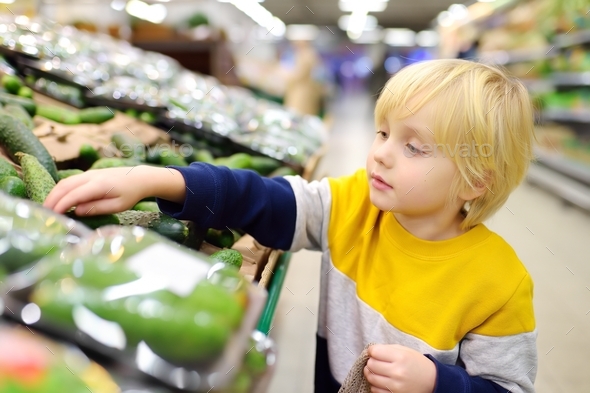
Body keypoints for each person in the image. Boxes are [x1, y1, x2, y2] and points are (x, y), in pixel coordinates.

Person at [44, 59, 537, 393]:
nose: (381, 153)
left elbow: (508, 388)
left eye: (414, 147)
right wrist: (161, 180)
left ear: (475, 181)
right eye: (383, 132)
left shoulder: (499, 283)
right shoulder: (351, 207)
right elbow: (262, 200)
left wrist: (439, 383)